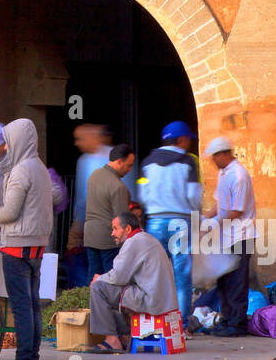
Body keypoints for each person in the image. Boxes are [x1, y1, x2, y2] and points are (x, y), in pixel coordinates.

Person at [0, 118, 53, 360]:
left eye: (9, 142)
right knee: (33, 305)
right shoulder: (40, 168)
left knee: (22, 307)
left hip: (16, 246)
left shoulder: (22, 170)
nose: (7, 147)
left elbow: (10, 211)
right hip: (36, 246)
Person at [85, 211, 178, 353]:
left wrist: (99, 278)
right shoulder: (146, 238)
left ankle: (112, 340)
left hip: (151, 300)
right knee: (112, 290)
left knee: (98, 288)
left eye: (115, 228)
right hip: (161, 299)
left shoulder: (134, 242)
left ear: (127, 229)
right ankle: (125, 336)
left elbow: (118, 276)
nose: (112, 233)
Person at [141, 121, 202, 322]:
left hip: (155, 222)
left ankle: (154, 320)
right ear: (182, 139)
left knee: (154, 275)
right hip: (181, 222)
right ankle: (181, 324)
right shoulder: (188, 162)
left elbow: (143, 194)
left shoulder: (147, 162)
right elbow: (193, 196)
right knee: (182, 277)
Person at [203, 136, 256, 337]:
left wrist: (214, 222)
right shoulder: (224, 174)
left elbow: (237, 210)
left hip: (241, 236)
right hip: (226, 236)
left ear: (225, 154)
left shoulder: (239, 175)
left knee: (237, 282)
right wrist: (204, 217)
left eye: (215, 156)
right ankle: (226, 320)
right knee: (223, 281)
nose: (213, 161)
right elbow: (220, 203)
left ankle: (237, 324)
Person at [68, 124, 111, 287]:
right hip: (88, 224)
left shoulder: (112, 157)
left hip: (107, 224)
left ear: (93, 137)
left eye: (80, 138)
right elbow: (81, 196)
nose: (77, 143)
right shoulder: (84, 160)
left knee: (104, 267)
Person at [84, 144, 134, 278]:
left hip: (90, 235)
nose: (129, 169)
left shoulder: (93, 176)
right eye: (129, 165)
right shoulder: (118, 187)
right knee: (111, 279)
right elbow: (122, 220)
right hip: (109, 239)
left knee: (93, 276)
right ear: (119, 162)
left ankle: (90, 299)